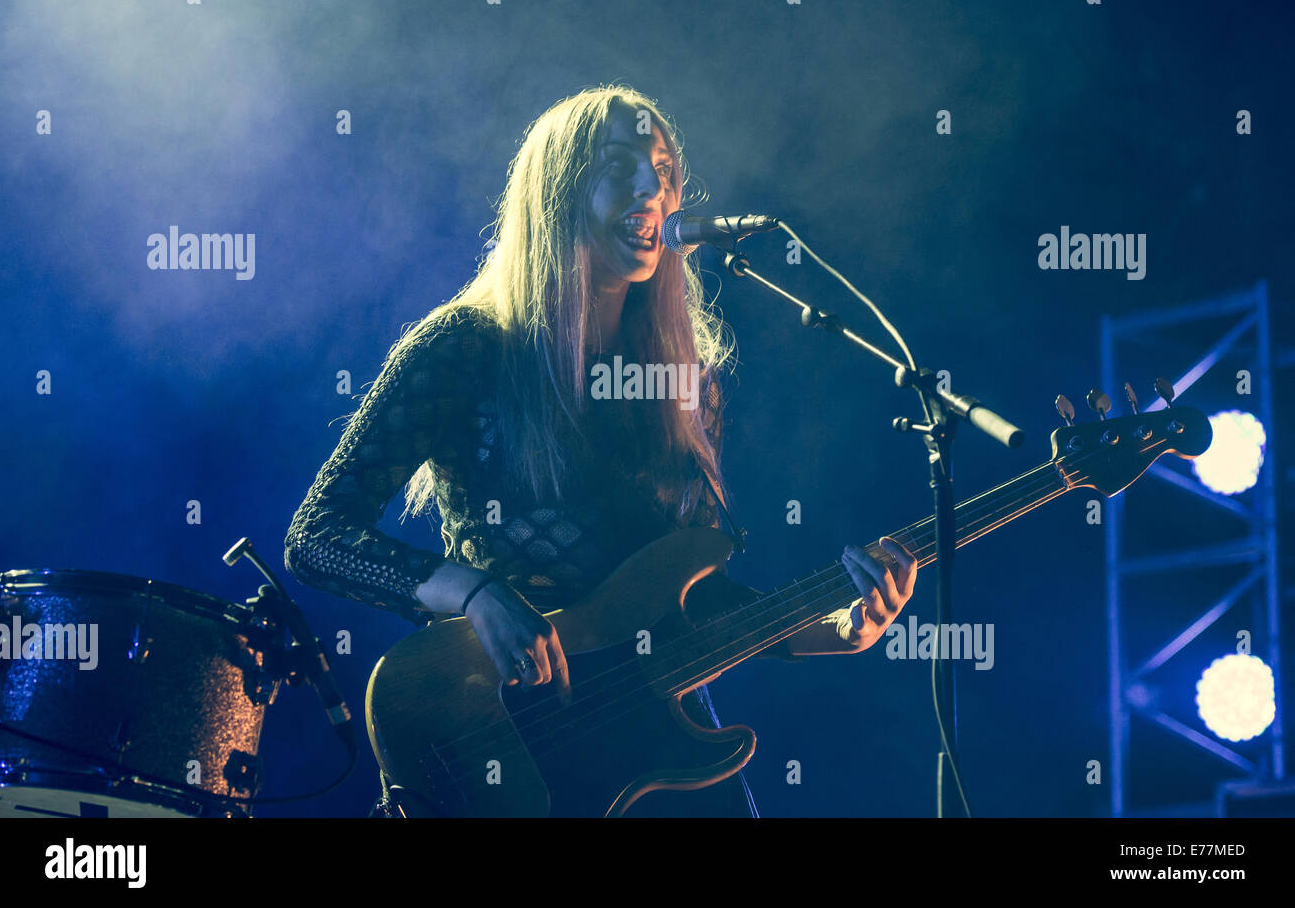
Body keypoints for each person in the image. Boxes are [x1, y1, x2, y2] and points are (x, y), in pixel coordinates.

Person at [283, 85, 917, 817]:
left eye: (665, 169)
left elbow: (690, 594)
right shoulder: (465, 347)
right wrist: (476, 592)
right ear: (558, 193)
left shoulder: (685, 380)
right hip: (500, 731)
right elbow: (317, 536)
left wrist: (835, 629)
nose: (655, 188)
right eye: (623, 167)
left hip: (659, 754)